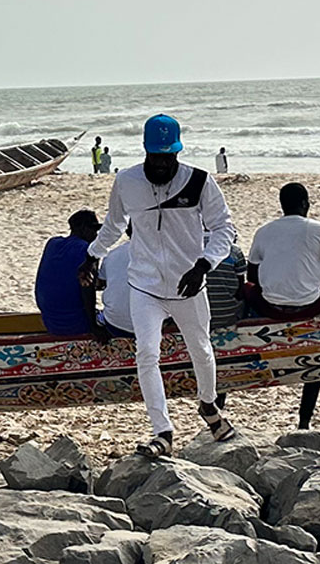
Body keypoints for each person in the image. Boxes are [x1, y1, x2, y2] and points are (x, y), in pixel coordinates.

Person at [83, 114, 239, 455]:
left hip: (189, 286)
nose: (163, 163)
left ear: (178, 153)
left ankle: (209, 406)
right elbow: (112, 225)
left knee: (201, 349)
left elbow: (224, 229)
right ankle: (162, 432)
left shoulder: (199, 181)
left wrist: (204, 264)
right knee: (147, 354)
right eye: (157, 156)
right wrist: (92, 255)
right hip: (145, 285)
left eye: (169, 156)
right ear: (145, 151)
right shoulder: (126, 181)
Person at [243, 183, 320, 319]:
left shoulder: (262, 231)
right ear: (305, 204)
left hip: (270, 308)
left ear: (282, 205)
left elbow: (252, 277)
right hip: (309, 307)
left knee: (248, 288)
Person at [33, 210, 103, 335]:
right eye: (93, 229)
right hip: (76, 324)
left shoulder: (52, 244)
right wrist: (93, 326)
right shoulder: (89, 251)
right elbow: (88, 290)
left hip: (50, 322)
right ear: (82, 228)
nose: (95, 235)